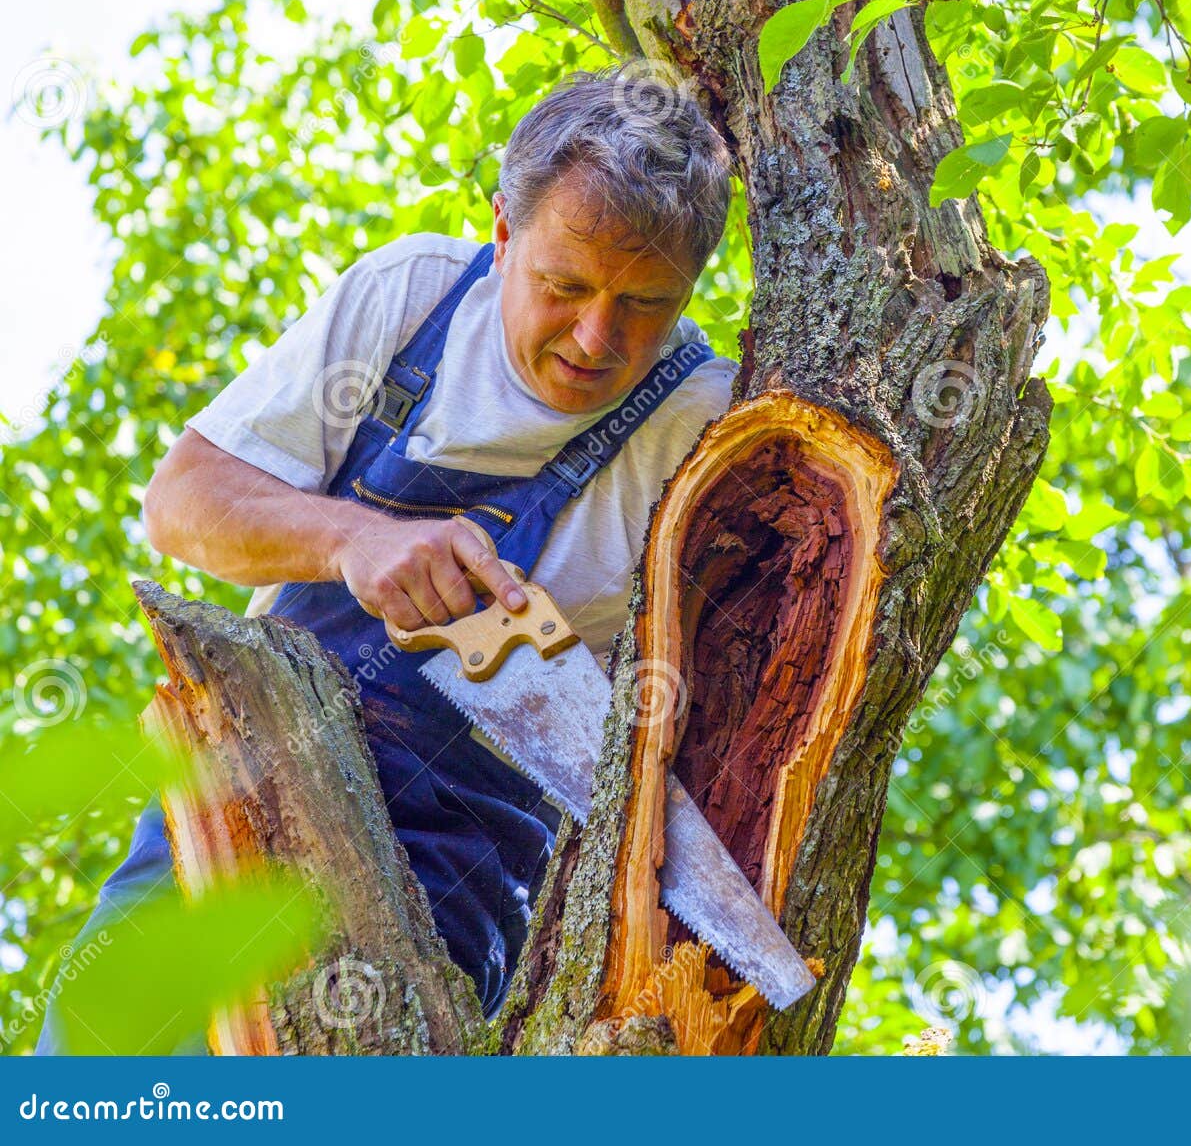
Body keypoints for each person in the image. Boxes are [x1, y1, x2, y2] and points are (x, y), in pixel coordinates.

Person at [34, 64, 736, 1054]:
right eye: (565, 286)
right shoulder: (413, 302)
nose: (595, 336)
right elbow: (182, 504)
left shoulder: (706, 426)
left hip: (448, 881)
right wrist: (353, 539)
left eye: (644, 302)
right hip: (240, 793)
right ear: (500, 232)